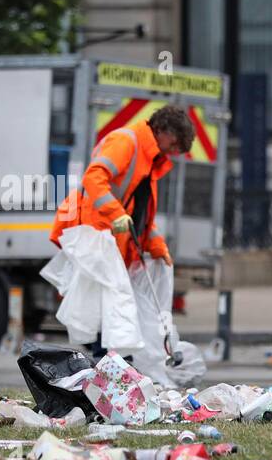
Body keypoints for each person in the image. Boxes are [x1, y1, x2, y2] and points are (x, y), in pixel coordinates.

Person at [50, 105, 194, 357]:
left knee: (109, 309)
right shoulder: (126, 143)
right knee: (110, 308)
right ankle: (110, 364)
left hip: (110, 239)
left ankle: (111, 364)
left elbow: (140, 214)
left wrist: (157, 246)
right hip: (98, 236)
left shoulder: (149, 158)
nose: (174, 151)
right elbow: (93, 179)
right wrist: (116, 215)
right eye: (174, 143)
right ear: (161, 130)